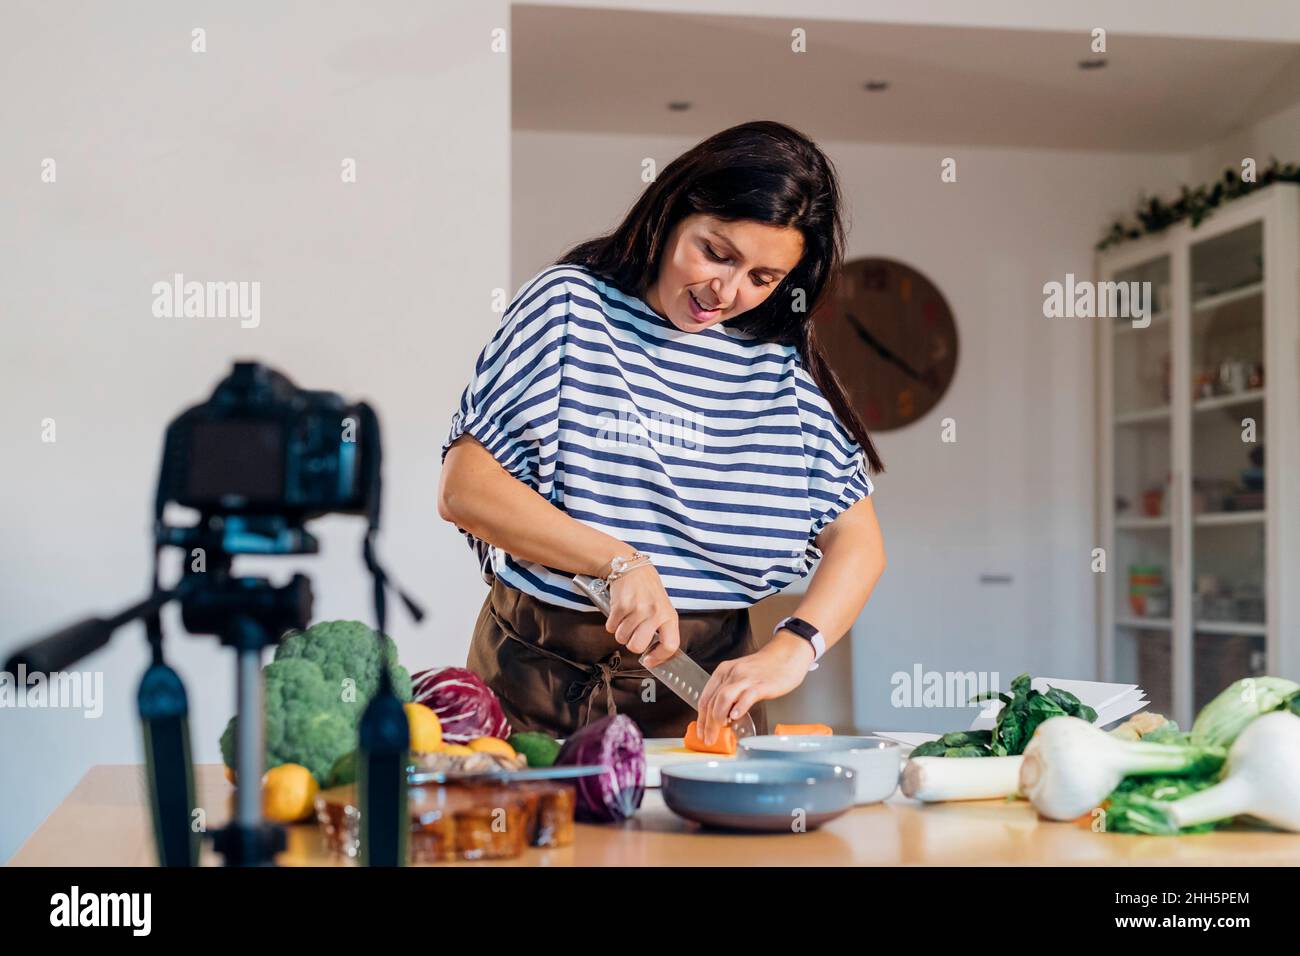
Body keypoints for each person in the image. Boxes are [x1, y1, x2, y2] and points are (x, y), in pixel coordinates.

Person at [437, 120, 886, 745]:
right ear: (673, 211)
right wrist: (616, 563)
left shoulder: (779, 367)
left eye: (763, 278)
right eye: (717, 252)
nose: (725, 293)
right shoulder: (570, 308)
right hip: (536, 679)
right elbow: (465, 488)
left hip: (704, 692)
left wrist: (796, 646)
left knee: (700, 844)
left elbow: (858, 540)